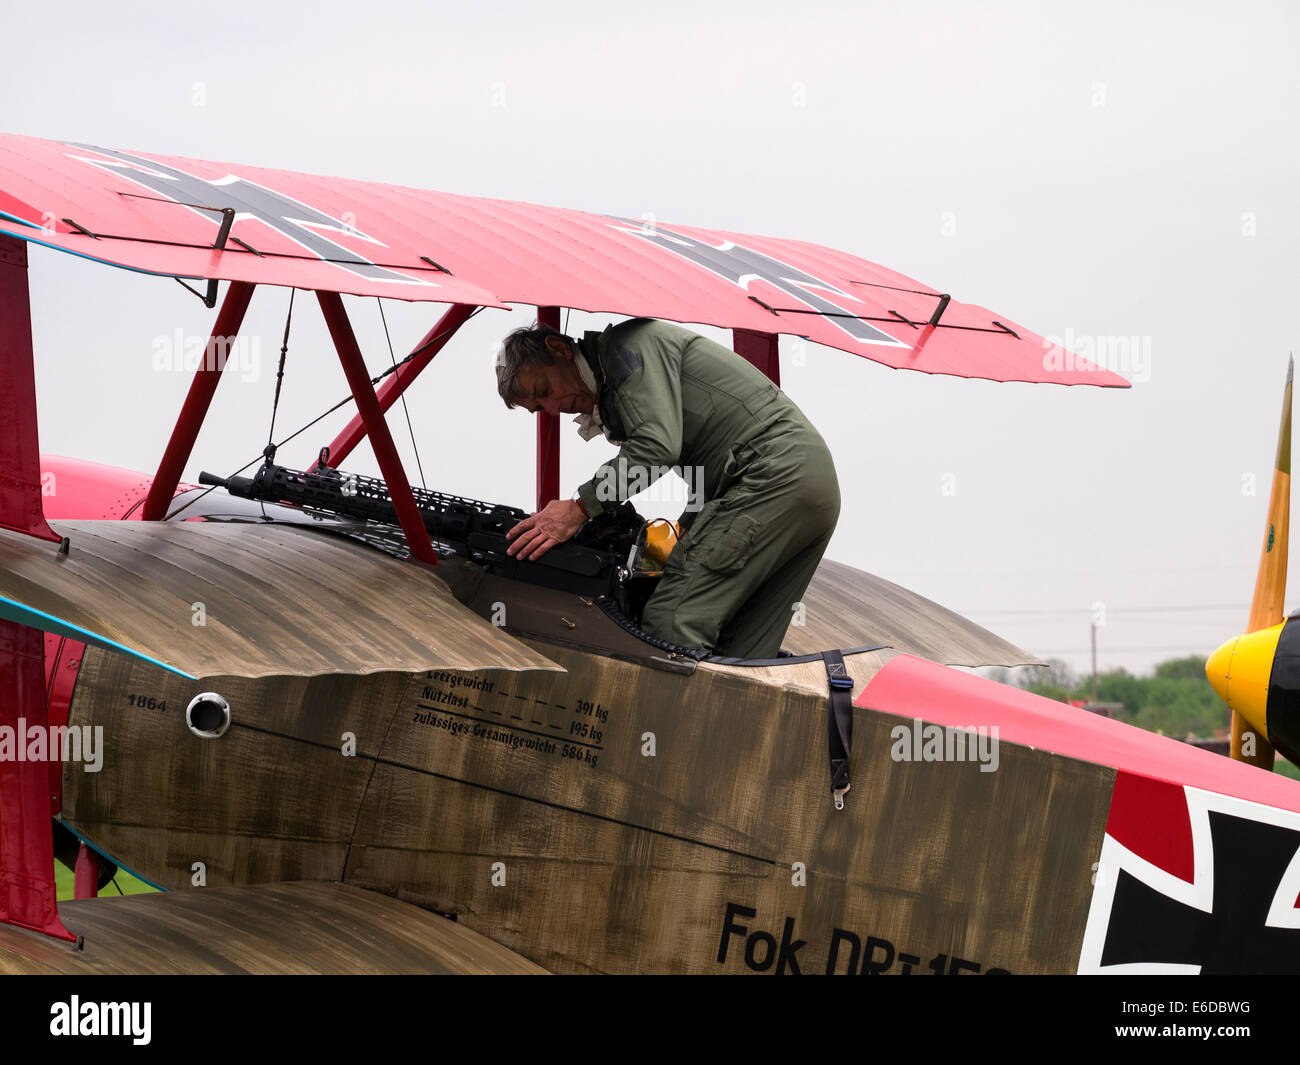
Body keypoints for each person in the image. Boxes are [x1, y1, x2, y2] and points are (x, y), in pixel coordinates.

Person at [495, 317, 840, 660]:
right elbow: (709, 452)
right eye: (539, 408)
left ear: (559, 349)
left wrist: (578, 509)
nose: (553, 409)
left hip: (772, 476)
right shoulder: (624, 371)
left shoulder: (627, 352)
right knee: (741, 651)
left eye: (544, 391)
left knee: (672, 624)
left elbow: (656, 449)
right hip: (809, 483)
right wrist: (691, 521)